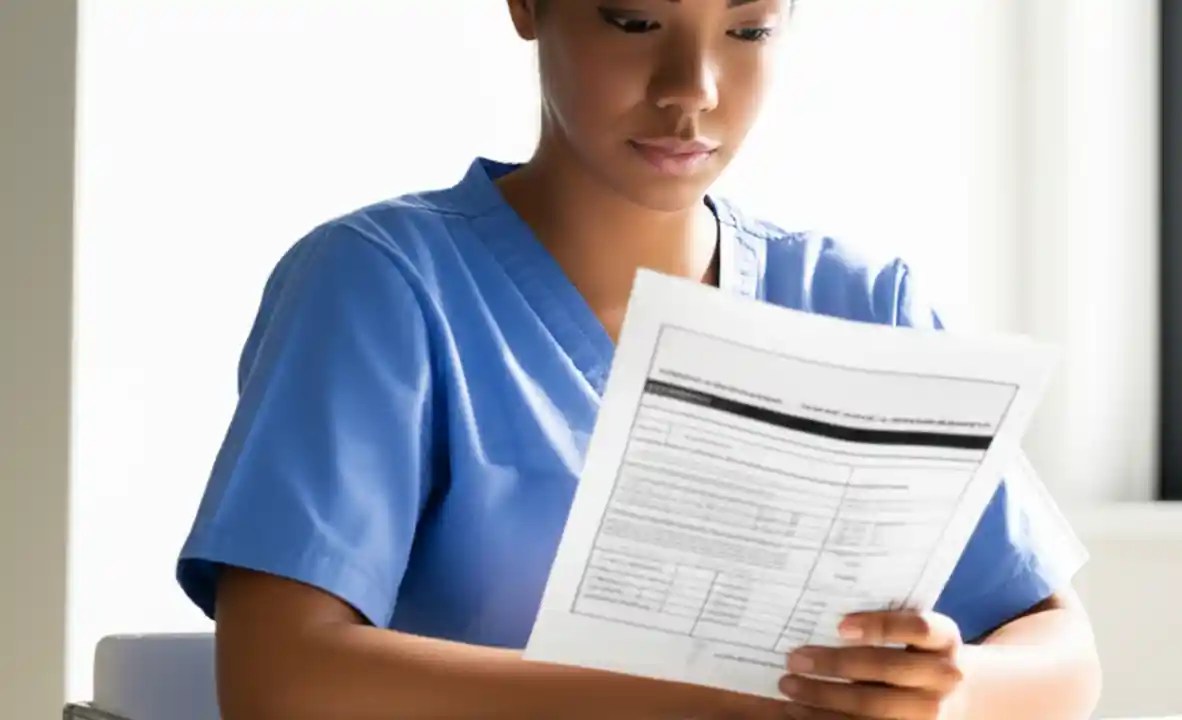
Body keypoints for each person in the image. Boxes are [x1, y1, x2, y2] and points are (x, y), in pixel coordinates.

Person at [176, 1, 1102, 718]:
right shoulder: (381, 287)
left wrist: (957, 689)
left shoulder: (869, 304)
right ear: (527, 5)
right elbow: (279, 679)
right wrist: (719, 705)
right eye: (634, 21)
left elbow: (1063, 652)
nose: (692, 85)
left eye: (748, 29)